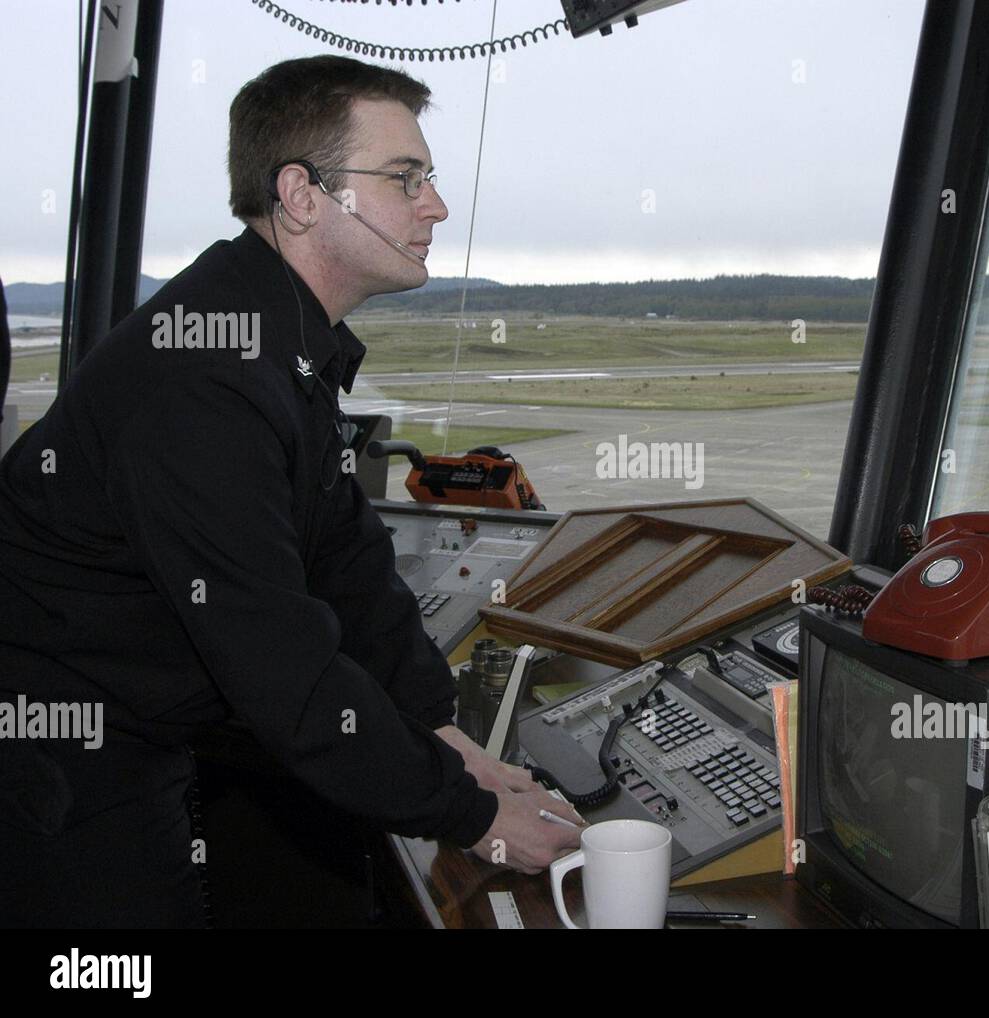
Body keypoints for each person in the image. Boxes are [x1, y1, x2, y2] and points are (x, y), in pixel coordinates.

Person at [0, 55, 582, 929]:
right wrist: (477, 816)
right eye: (404, 177)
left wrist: (447, 740)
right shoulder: (207, 379)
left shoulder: (276, 336)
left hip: (130, 719)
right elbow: (282, 665)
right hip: (65, 748)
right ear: (303, 196)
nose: (436, 206)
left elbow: (348, 560)